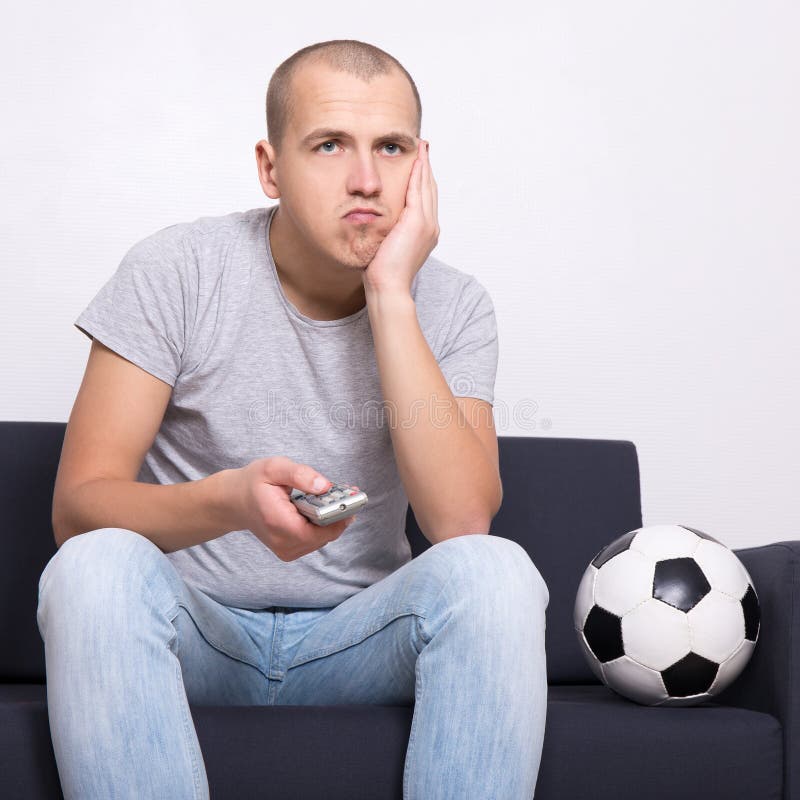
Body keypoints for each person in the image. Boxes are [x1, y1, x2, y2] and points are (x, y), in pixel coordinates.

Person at [36, 38, 550, 799]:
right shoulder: (178, 269)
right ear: (271, 166)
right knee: (91, 571)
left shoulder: (455, 303)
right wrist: (231, 502)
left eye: (392, 147)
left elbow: (461, 519)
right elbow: (78, 511)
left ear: (422, 165)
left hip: (360, 640)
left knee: (497, 572)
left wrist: (392, 296)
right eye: (330, 144)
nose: (367, 180)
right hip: (195, 635)